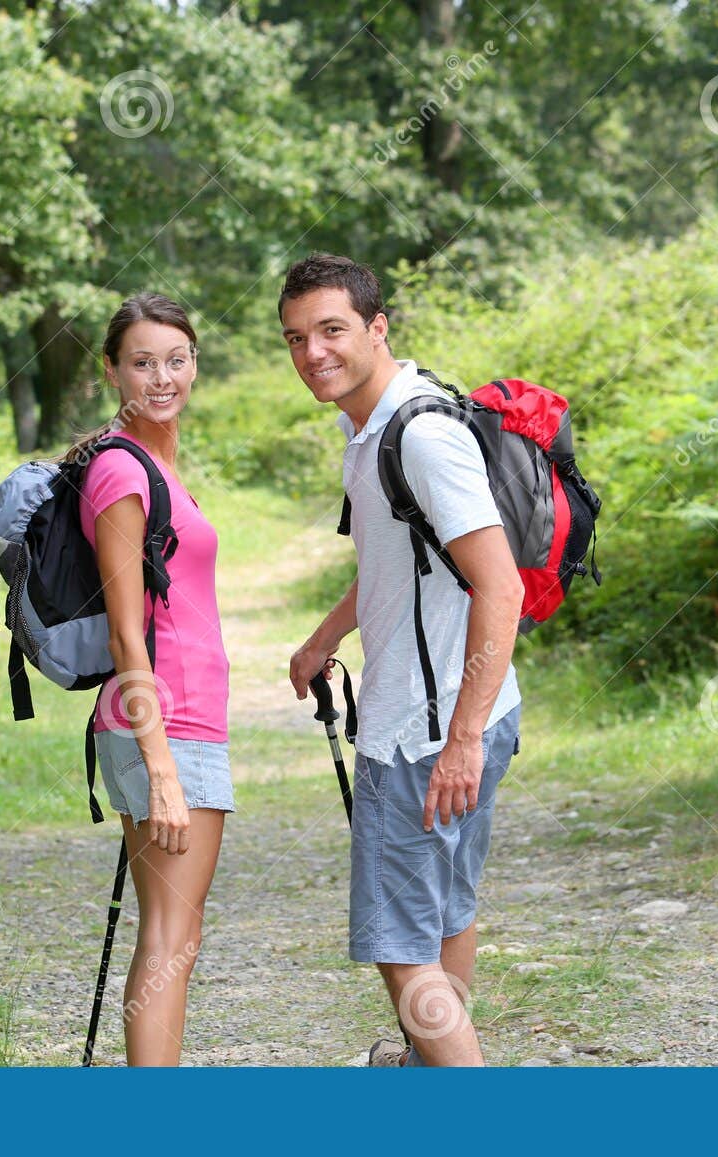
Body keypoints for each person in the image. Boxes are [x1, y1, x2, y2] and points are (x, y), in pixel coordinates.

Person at [282, 255, 523, 1067]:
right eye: (296, 338)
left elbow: (502, 588)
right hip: (464, 716)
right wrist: (326, 637)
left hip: (425, 733)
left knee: (399, 945)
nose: (313, 352)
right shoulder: (373, 428)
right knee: (445, 915)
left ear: (377, 328)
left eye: (332, 330)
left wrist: (459, 736)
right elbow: (398, 561)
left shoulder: (420, 435)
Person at [72, 292, 232, 1066]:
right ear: (113, 371)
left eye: (175, 359)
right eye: (142, 362)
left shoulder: (157, 461)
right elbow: (123, 628)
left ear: (194, 363)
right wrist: (160, 766)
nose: (161, 377)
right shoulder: (118, 470)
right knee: (170, 937)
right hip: (160, 723)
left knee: (179, 933)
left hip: (188, 721)